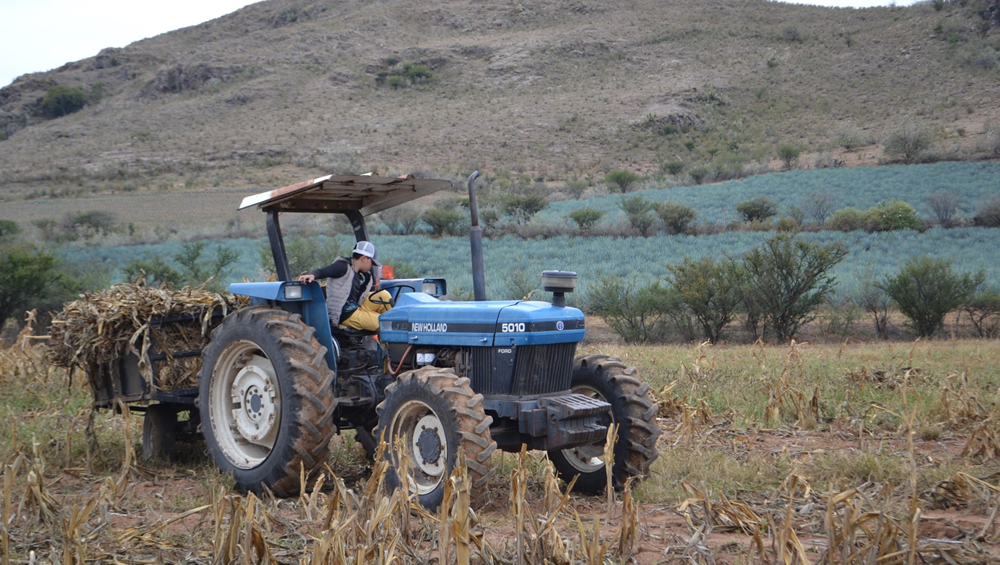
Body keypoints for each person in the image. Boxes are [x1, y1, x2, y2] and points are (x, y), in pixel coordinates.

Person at [297, 240, 391, 332]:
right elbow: (325, 271)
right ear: (364, 258)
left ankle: (392, 335)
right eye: (372, 262)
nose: (372, 266)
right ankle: (390, 341)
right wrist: (312, 275)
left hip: (357, 306)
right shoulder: (343, 267)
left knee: (384, 296)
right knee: (383, 323)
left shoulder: (363, 275)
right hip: (345, 313)